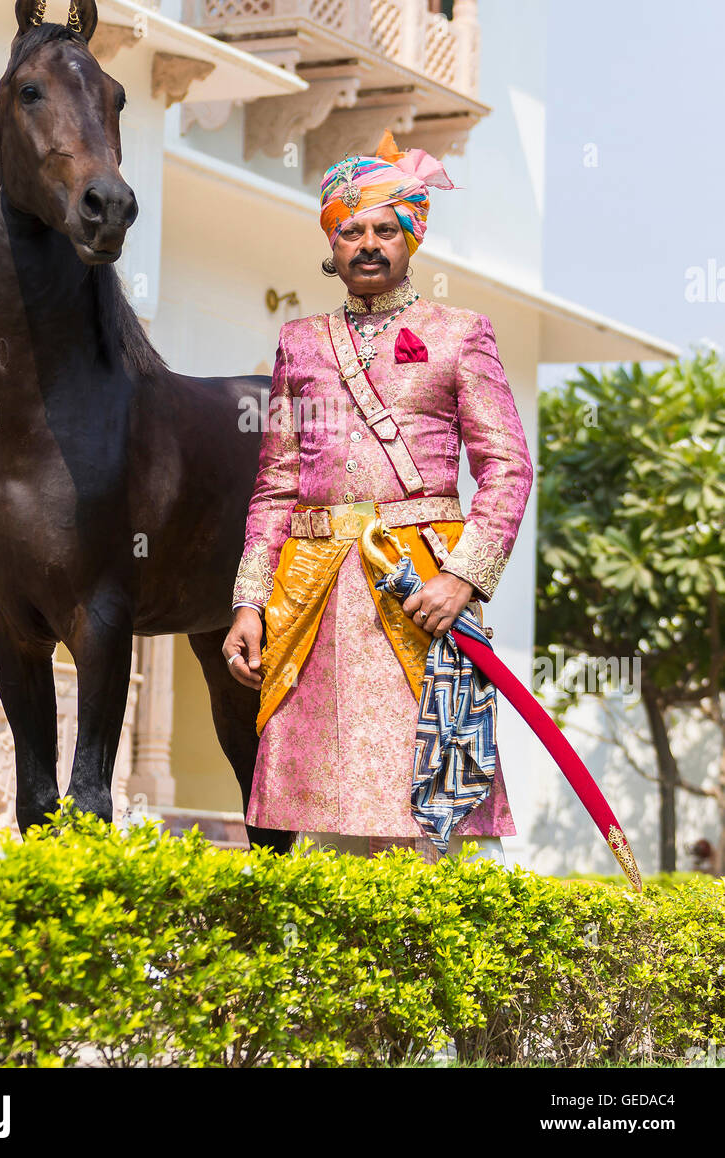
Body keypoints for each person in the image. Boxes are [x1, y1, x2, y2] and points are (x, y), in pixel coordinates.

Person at [222, 130, 534, 865]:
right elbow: (274, 485)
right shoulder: (298, 342)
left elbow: (508, 468)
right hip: (313, 595)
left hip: (420, 590)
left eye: (384, 229)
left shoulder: (461, 335)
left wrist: (462, 577)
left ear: (411, 238)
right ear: (330, 244)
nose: (367, 243)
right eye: (350, 229)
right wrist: (247, 603)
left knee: (427, 808)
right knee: (318, 819)